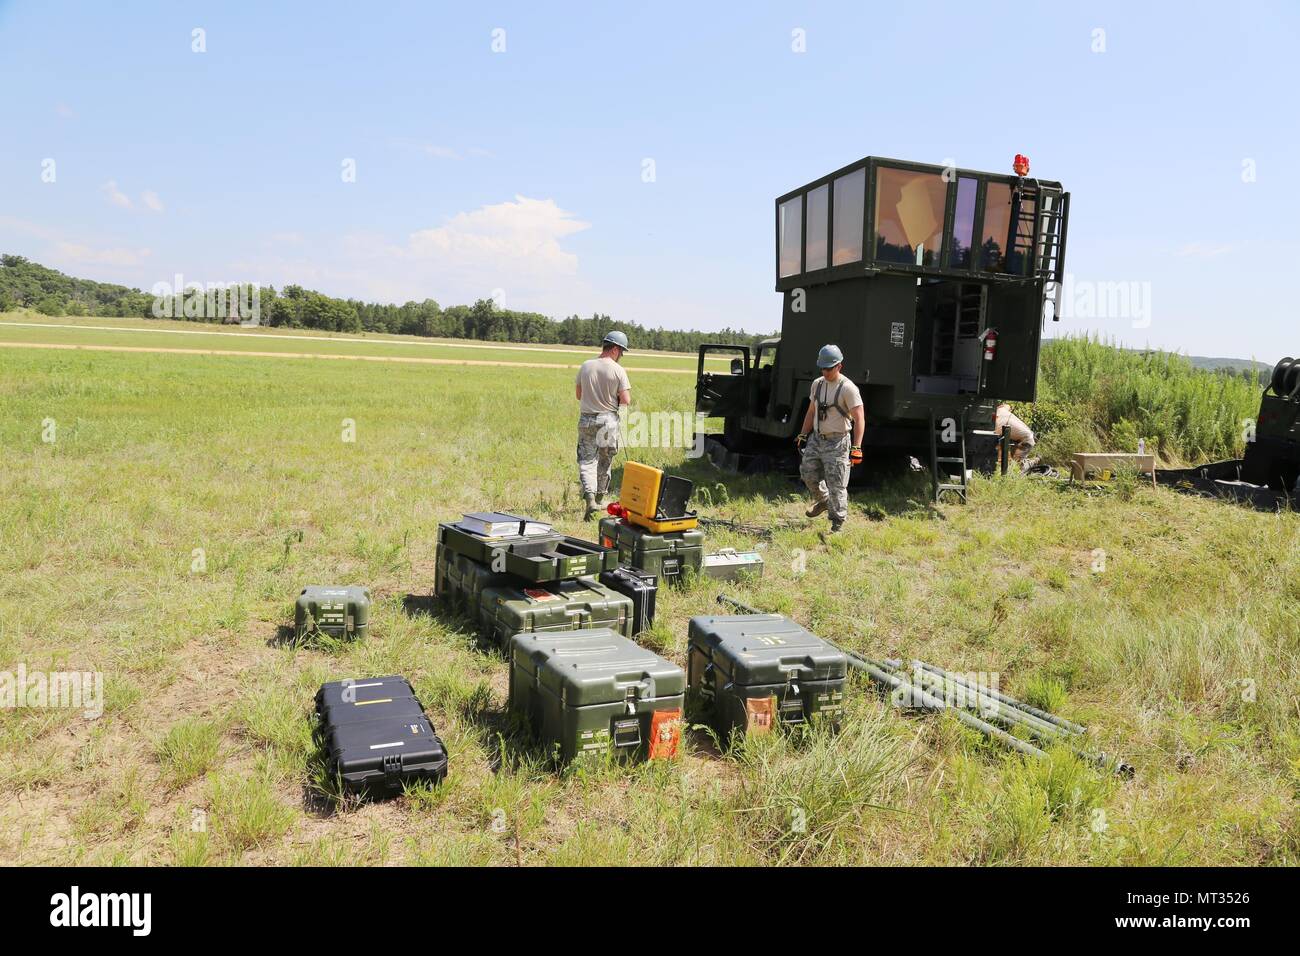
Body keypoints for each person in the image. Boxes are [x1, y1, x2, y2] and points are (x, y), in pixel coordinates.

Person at [796, 344, 865, 533]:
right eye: (823, 368)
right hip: (817, 439)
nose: (825, 371)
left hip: (838, 441)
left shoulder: (848, 388)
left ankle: (837, 524)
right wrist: (803, 433)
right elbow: (811, 412)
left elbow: (860, 418)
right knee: (807, 473)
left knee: (837, 484)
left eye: (829, 368)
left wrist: (857, 447)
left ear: (839, 366)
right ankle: (823, 500)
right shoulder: (817, 384)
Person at [575, 331, 631, 519]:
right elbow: (626, 400)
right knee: (605, 461)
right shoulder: (617, 370)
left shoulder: (585, 366)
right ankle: (599, 500)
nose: (621, 356)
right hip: (608, 421)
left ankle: (590, 499)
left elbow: (578, 395)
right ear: (614, 349)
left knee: (586, 461)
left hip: (586, 419)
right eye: (621, 352)